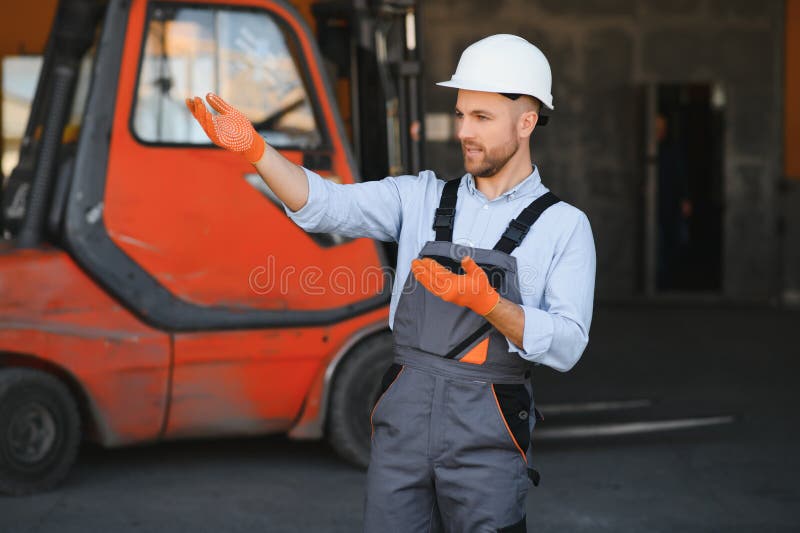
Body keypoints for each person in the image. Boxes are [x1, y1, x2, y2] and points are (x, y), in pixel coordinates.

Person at [187, 33, 595, 533]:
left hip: (488, 426)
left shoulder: (564, 226)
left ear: (527, 122)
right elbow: (324, 205)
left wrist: (488, 302)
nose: (464, 130)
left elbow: (569, 344)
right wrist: (255, 149)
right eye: (462, 114)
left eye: (482, 118)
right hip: (405, 417)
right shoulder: (417, 197)